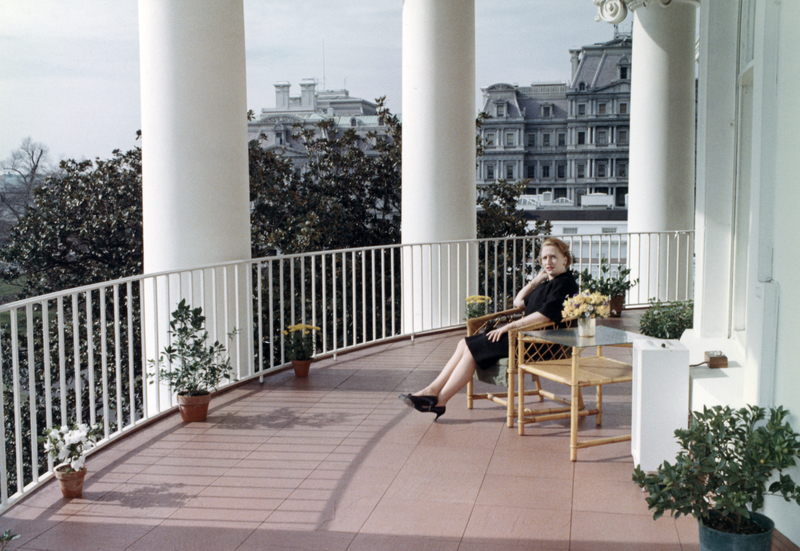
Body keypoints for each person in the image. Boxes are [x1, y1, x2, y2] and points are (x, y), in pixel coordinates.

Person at [399, 237, 579, 420]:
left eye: (553, 257)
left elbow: (544, 316)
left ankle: (439, 400)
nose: (548, 262)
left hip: (538, 344)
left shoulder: (564, 284)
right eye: (544, 258)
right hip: (525, 337)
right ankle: (433, 392)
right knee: (464, 343)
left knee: (471, 349)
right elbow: (518, 302)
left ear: (565, 258)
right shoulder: (549, 282)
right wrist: (537, 279)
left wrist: (509, 327)